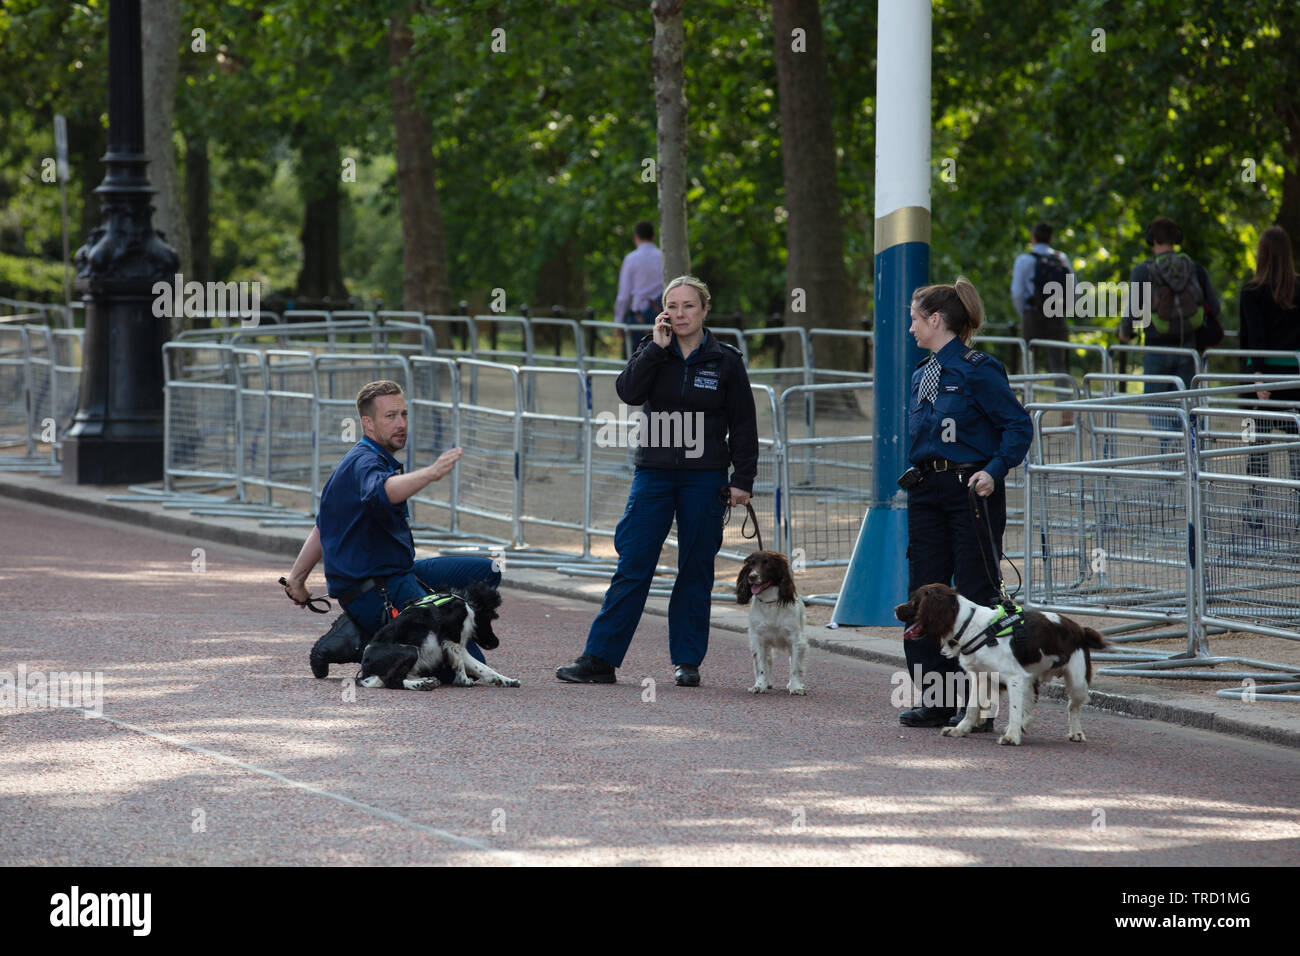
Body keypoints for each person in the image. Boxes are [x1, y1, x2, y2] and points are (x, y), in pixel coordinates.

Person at [556, 274, 758, 687]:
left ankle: (687, 661)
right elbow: (628, 393)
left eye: (689, 306)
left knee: (695, 568)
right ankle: (600, 659)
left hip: (706, 478)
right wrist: (655, 349)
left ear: (704, 311)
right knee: (633, 563)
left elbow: (743, 424)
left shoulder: (726, 360)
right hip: (654, 474)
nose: (680, 314)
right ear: (662, 311)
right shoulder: (652, 350)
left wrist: (743, 479)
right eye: (673, 306)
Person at [283, 380, 501, 678]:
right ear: (367, 423)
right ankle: (359, 639)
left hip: (400, 572)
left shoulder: (371, 460)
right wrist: (430, 473)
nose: (401, 424)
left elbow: (324, 527)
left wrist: (297, 579)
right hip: (378, 588)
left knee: (488, 572)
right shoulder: (363, 462)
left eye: (404, 414)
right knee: (467, 670)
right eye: (390, 416)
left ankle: (434, 624)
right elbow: (383, 491)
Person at [898, 278, 1034, 729]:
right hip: (927, 493)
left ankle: (980, 707)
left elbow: (1017, 426)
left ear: (935, 320)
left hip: (970, 493)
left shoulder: (979, 369)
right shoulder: (922, 373)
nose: (911, 328)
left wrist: (993, 472)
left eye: (916, 319)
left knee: (975, 597)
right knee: (924, 596)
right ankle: (936, 698)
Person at [1119, 216, 1223, 389]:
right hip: (1189, 349)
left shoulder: (1142, 271)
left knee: (1156, 406)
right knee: (1186, 407)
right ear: (1177, 238)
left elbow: (1133, 312)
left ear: (1151, 239)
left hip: (1156, 348)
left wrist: (1125, 333)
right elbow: (1215, 308)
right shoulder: (1194, 269)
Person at [1240, 225, 1300, 491]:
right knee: (1297, 447)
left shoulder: (1251, 292)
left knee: (1255, 445)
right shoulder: (1299, 288)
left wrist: (1258, 377)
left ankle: (1255, 508)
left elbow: (1254, 336)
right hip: (1295, 378)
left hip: (1261, 380)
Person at [1010, 220, 1073, 374]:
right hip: (1057, 314)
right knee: (1059, 365)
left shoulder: (1024, 260)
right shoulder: (1061, 258)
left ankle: (1026, 397)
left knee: (1029, 362)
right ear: (1051, 238)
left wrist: (1023, 312)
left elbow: (1017, 292)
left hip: (1033, 313)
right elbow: (1073, 288)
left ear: (1033, 238)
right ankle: (1064, 397)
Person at [613, 221, 664, 356]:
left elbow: (623, 296)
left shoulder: (631, 259)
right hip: (661, 315)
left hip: (638, 317)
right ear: (654, 237)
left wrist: (618, 323)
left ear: (636, 237)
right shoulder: (663, 257)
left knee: (632, 362)